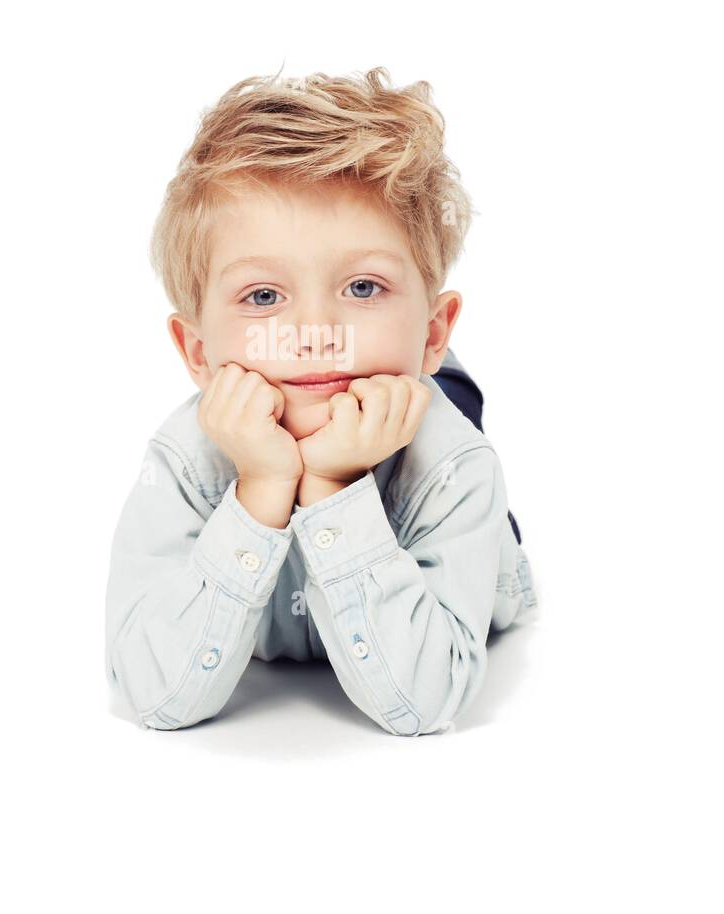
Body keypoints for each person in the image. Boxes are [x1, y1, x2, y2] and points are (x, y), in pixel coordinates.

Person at [104, 66, 538, 736]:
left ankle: (443, 377)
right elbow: (151, 692)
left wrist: (333, 487)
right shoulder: (184, 460)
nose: (317, 336)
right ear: (197, 354)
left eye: (363, 288)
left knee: (450, 427)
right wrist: (260, 489)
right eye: (264, 297)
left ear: (433, 332)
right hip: (388, 372)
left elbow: (427, 701)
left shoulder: (455, 466)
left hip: (429, 432)